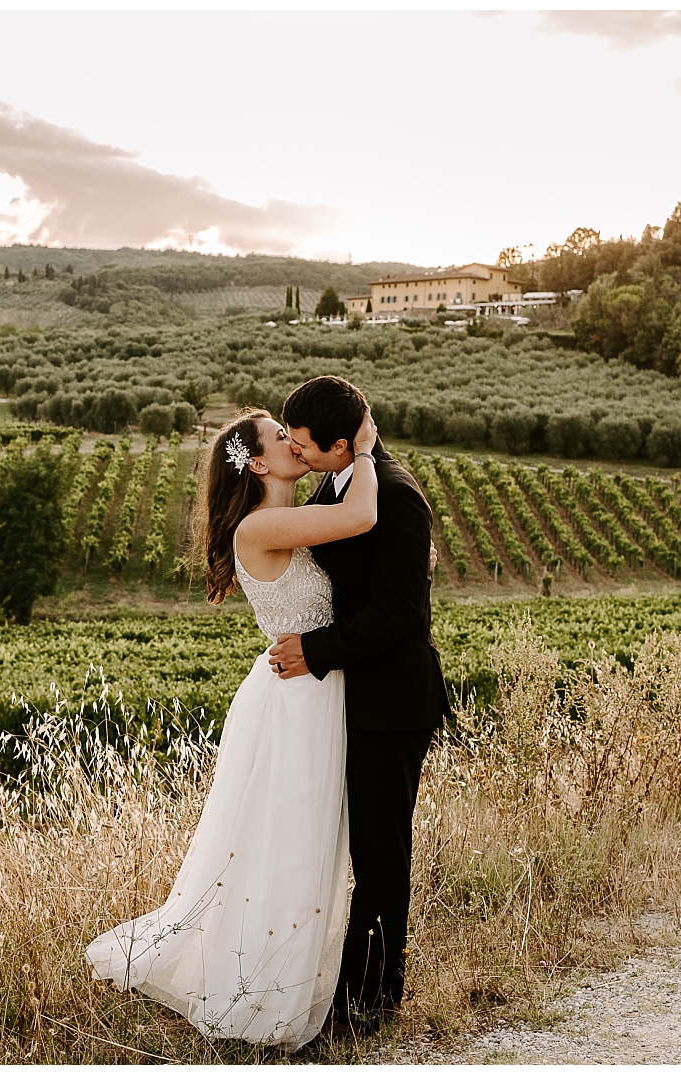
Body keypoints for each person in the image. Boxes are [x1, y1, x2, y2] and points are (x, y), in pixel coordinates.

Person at [86, 406, 381, 1052]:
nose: (294, 442)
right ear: (255, 462)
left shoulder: (282, 518)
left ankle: (285, 980)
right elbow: (360, 516)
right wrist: (363, 447)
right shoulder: (262, 525)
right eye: (282, 437)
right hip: (297, 703)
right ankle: (263, 991)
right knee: (291, 845)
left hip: (311, 691)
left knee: (297, 842)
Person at [268, 375, 450, 1030]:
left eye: (309, 446)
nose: (300, 453)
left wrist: (314, 650)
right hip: (355, 697)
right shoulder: (343, 478)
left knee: (380, 855)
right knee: (356, 851)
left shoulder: (396, 496)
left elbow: (399, 614)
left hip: (391, 704)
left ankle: (370, 1003)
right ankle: (342, 987)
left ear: (343, 444)